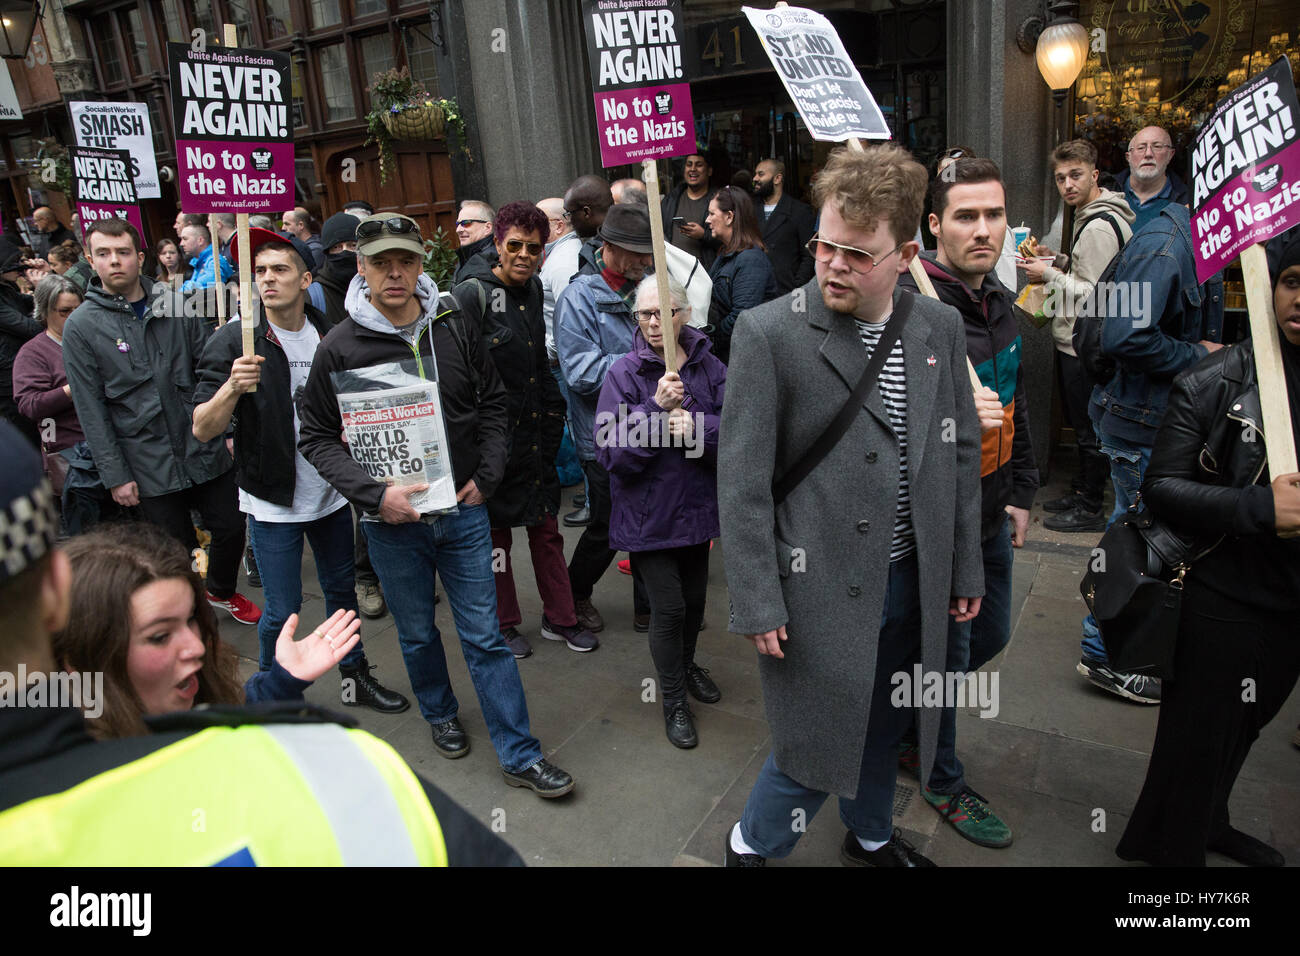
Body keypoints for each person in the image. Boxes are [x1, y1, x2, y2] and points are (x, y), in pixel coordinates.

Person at [0, 427, 522, 866]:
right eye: (159, 636)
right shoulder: (334, 766)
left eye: (194, 623)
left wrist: (277, 689)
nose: (196, 649)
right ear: (58, 611)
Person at [718, 143, 984, 867]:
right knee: (814, 743)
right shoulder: (768, 333)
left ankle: (869, 836)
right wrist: (757, 598)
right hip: (815, 588)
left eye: (857, 254)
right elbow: (740, 483)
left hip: (913, 583)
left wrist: (963, 566)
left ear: (905, 254)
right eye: (824, 246)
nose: (833, 264)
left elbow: (957, 456)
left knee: (888, 722)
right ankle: (751, 848)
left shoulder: (938, 328)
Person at [298, 213, 575, 797]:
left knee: (484, 635)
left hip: (465, 514)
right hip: (391, 525)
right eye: (380, 263)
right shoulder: (339, 347)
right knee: (419, 632)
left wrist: (488, 475)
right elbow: (317, 437)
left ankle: (519, 753)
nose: (394, 273)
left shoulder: (453, 324)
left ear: (423, 264)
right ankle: (439, 711)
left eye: (405, 260)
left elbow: (494, 401)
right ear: (362, 268)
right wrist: (375, 496)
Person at [1114, 243, 1300, 868]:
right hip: (1221, 595)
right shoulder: (1214, 380)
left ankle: (1191, 825)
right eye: (1293, 281)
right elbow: (1160, 489)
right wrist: (1259, 510)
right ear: (1269, 288)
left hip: (1290, 604)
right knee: (1197, 739)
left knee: (1243, 728)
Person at [192, 226, 408, 712]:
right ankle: (273, 702)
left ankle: (356, 680)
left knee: (341, 598)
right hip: (272, 500)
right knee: (283, 610)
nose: (268, 279)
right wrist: (231, 387)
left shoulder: (329, 331)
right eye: (259, 272)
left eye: (279, 270)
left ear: (305, 278)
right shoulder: (235, 340)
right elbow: (202, 429)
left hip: (331, 493)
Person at [897, 156, 1035, 849]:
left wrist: (1021, 489)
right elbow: (884, 429)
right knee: (946, 662)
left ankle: (905, 717)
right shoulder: (913, 311)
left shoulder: (1002, 301)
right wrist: (953, 408)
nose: (984, 229)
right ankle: (939, 772)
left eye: (994, 215)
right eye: (966, 216)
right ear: (933, 226)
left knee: (990, 637)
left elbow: (1017, 405)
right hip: (940, 526)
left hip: (992, 508)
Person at [61, 218, 261, 626]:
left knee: (231, 524)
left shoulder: (176, 302)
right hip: (145, 458)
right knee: (176, 547)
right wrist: (115, 474)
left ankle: (219, 589)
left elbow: (208, 372)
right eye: (103, 254)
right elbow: (90, 408)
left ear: (139, 256)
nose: (114, 261)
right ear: (90, 259)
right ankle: (192, 610)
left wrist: (225, 430)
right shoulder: (81, 326)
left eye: (122, 252)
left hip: (199, 442)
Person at [1077, 202, 1224, 704]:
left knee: (1141, 535)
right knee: (1135, 541)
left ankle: (1122, 646)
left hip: (1153, 421)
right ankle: (1103, 654)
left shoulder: (1198, 242)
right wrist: (1200, 357)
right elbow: (1127, 335)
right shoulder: (1165, 247)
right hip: (1139, 423)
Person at [454, 201, 597, 658]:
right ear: (497, 244)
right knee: (495, 538)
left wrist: (553, 418)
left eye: (532, 248)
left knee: (546, 529)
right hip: (490, 440)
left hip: (536, 433)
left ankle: (562, 617)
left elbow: (538, 359)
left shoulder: (533, 289)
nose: (522, 255)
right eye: (513, 245)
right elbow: (457, 375)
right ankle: (504, 624)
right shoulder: (471, 293)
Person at [596, 276, 725, 747]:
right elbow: (610, 451)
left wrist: (695, 424)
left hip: (696, 511)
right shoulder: (624, 374)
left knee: (694, 607)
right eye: (644, 314)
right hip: (648, 517)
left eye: (663, 312)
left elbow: (735, 434)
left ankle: (687, 665)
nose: (653, 323)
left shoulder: (710, 367)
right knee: (667, 610)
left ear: (684, 314)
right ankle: (673, 700)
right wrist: (653, 410)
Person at [1020, 139, 1135, 532]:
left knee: (1088, 430)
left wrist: (1048, 275)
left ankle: (1089, 508)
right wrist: (1060, 261)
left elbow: (1097, 294)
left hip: (1084, 344)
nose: (1067, 184)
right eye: (1060, 178)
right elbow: (1093, 274)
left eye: (1076, 175)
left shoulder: (1100, 225)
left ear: (1095, 175)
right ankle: (1083, 489)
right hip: (1081, 340)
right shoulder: (1091, 217)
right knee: (1086, 425)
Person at [556, 203, 655, 634]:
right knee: (607, 524)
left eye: (648, 253)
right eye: (635, 253)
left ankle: (649, 608)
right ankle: (575, 593)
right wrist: (643, 361)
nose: (645, 262)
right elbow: (580, 374)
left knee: (653, 517)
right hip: (606, 436)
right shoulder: (577, 298)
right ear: (608, 248)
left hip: (653, 429)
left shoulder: (651, 288)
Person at [545, 176, 613, 528]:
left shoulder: (588, 259)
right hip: (604, 423)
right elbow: (583, 370)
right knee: (608, 524)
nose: (568, 223)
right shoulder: (582, 262)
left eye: (570, 214)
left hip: (635, 425)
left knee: (610, 525)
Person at [704, 186, 777, 364]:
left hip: (743, 360)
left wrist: (712, 341)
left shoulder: (751, 260)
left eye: (712, 214)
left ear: (729, 217)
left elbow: (741, 317)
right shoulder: (725, 254)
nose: (707, 220)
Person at [752, 158, 816, 295]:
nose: (755, 178)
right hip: (755, 290)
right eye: (756, 174)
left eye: (761, 174)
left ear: (777, 179)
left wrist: (797, 286)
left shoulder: (799, 211)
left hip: (785, 292)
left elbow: (809, 255)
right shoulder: (750, 210)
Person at [0, 237, 41, 445]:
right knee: (28, 434)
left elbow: (33, 302)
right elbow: (30, 328)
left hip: (22, 368)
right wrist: (41, 292)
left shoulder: (7, 289)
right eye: (13, 264)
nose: (19, 268)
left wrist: (47, 278)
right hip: (9, 380)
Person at [1115, 126, 1189, 234]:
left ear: (1170, 154)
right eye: (1141, 148)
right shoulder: (1106, 191)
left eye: (1157, 147)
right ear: (1128, 157)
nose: (1148, 154)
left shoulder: (1186, 202)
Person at [661, 153, 718, 269]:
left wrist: (703, 235)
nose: (693, 169)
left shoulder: (718, 201)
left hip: (703, 273)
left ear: (709, 171)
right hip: (672, 271)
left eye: (699, 165)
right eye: (689, 165)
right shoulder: (671, 199)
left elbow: (728, 238)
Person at [179, 222, 234, 294]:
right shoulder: (199, 262)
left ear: (200, 240)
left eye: (185, 239)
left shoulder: (214, 261)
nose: (181, 244)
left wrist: (181, 290)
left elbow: (206, 287)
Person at [453, 200, 496, 283]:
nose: (458, 230)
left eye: (466, 223)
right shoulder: (467, 255)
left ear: (487, 228)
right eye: (457, 224)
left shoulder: (492, 261)